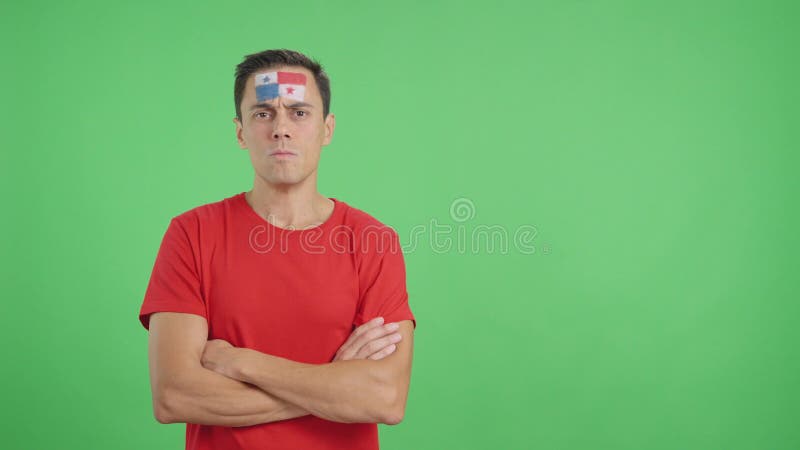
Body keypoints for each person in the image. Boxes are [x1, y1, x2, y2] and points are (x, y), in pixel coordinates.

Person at [138, 48, 417, 450]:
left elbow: (385, 399)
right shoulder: (191, 233)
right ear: (240, 132)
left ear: (327, 129)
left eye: (299, 113)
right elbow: (174, 396)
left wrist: (241, 362)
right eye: (263, 113)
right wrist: (333, 383)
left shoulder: (374, 241)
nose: (281, 129)